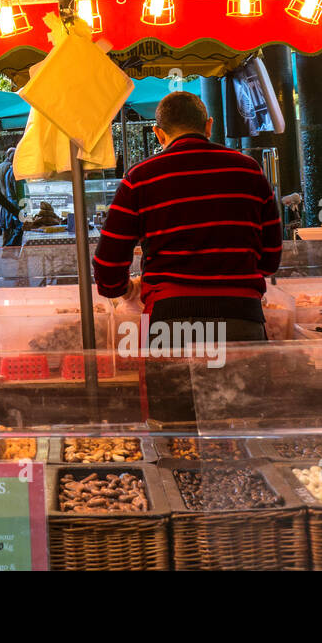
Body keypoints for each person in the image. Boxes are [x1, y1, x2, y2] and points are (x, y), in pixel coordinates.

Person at [93, 91, 282, 423]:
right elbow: (270, 260)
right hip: (242, 322)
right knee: (246, 436)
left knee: (174, 436)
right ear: (208, 126)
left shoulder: (140, 179)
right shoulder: (250, 172)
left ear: (159, 133)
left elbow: (107, 267)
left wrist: (126, 290)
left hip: (172, 325)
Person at [0, 146, 26, 248]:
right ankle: (9, 247)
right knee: (20, 227)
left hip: (7, 201)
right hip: (16, 203)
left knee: (8, 226)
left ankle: (7, 246)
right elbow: (20, 192)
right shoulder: (16, 172)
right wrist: (25, 208)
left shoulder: (1, 168)